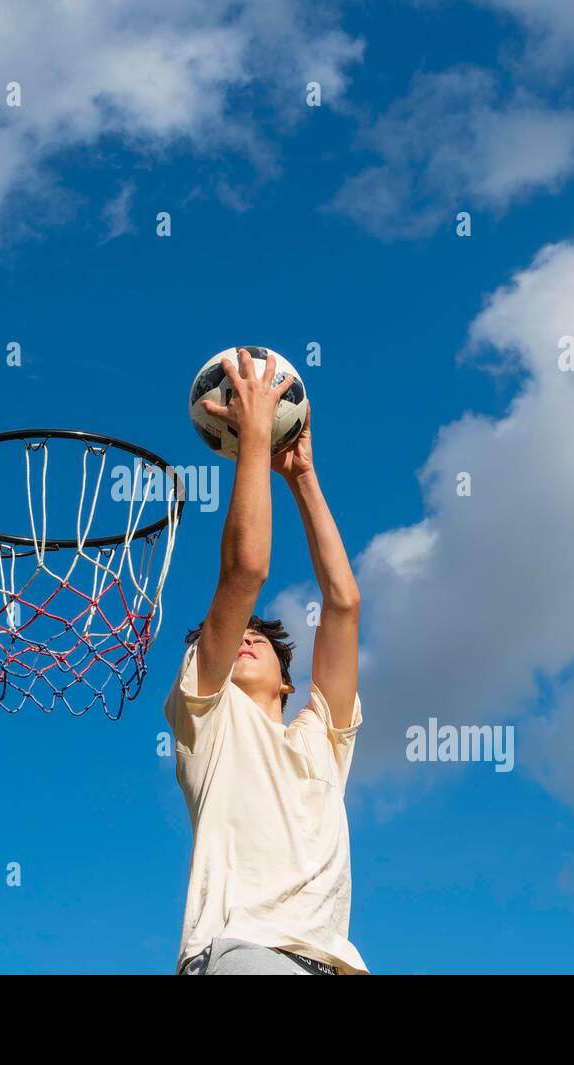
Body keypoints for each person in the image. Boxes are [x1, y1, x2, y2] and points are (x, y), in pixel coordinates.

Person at [166, 347, 367, 976]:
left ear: (288, 677)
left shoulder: (321, 743)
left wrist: (301, 475)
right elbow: (246, 571)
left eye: (263, 639)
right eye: (229, 638)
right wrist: (254, 436)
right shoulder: (208, 719)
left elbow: (342, 603)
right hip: (243, 955)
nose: (244, 638)